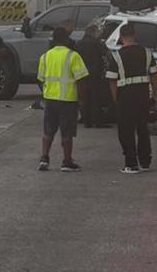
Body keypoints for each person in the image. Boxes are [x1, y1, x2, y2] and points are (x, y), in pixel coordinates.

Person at [107, 23, 157, 174]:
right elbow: (154, 75)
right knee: (142, 128)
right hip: (142, 96)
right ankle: (145, 161)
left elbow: (112, 81)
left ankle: (131, 163)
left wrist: (116, 99)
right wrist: (155, 94)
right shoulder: (147, 53)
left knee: (126, 131)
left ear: (121, 37)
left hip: (125, 97)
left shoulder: (116, 56)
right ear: (134, 35)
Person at [37, 27, 90, 172]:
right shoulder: (73, 56)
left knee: (48, 131)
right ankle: (67, 161)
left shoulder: (45, 56)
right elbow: (81, 80)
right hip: (68, 100)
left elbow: (41, 79)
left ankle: (44, 158)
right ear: (67, 39)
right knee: (67, 133)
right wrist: (83, 100)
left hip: (50, 100)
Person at [75, 25, 109, 128]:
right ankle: (98, 121)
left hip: (81, 73)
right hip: (95, 73)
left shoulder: (79, 43)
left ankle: (87, 121)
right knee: (96, 97)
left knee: (85, 97)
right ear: (93, 32)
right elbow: (107, 54)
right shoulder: (97, 43)